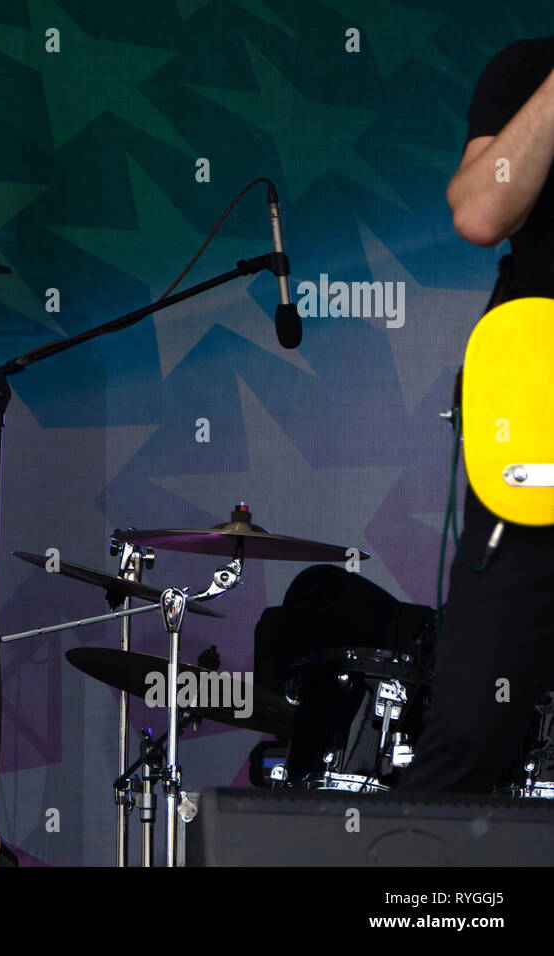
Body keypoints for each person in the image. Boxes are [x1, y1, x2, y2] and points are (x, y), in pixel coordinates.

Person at [397, 38, 554, 792]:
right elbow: (481, 211)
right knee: (470, 731)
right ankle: (440, 913)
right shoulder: (529, 72)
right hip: (538, 430)